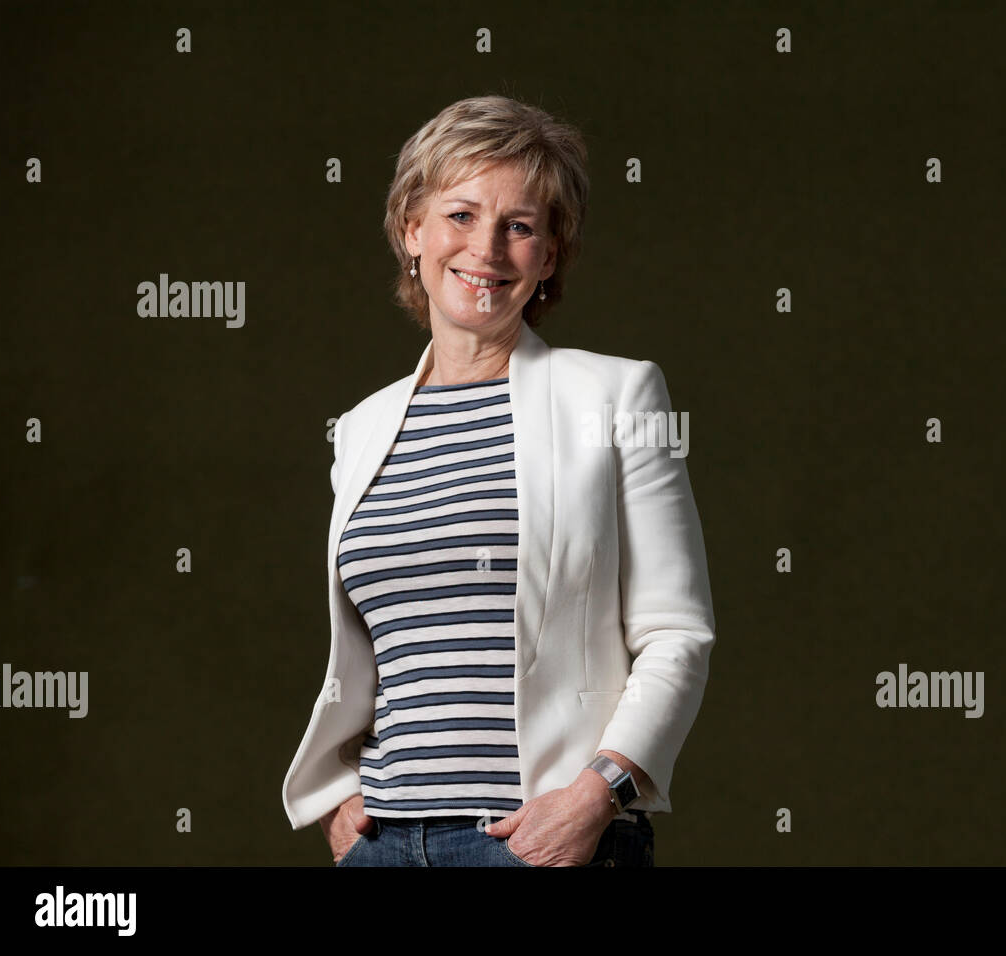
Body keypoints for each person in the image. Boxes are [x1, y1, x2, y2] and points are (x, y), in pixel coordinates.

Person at [281, 94, 716, 866]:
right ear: (412, 231)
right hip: (380, 844)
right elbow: (374, 651)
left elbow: (676, 632)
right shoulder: (360, 430)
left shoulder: (617, 396)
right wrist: (337, 803)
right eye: (459, 215)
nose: (485, 248)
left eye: (519, 226)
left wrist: (597, 797)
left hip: (535, 842)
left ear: (548, 258)